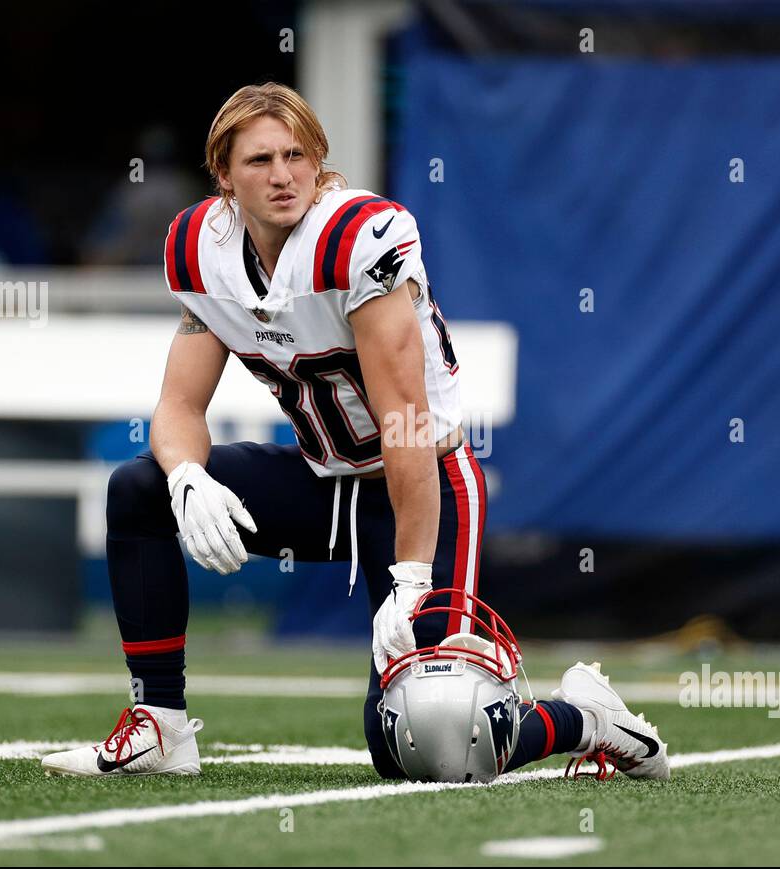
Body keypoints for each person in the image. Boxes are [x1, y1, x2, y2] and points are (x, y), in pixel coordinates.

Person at [41, 82, 669, 782]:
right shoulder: (202, 246)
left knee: (431, 745)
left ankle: (584, 718)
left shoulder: (355, 241)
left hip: (420, 485)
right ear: (223, 175)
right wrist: (187, 477)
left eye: (296, 155)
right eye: (259, 161)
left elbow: (402, 415)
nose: (282, 176)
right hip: (323, 481)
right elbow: (179, 407)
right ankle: (160, 724)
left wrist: (411, 574)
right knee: (140, 488)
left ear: (319, 161)